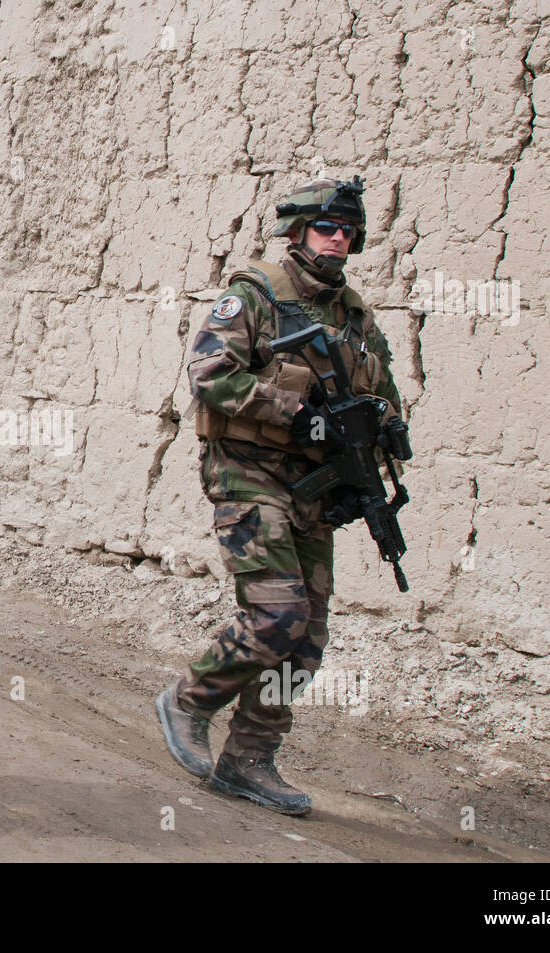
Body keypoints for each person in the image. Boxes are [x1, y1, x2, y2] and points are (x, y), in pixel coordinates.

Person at [155, 176, 403, 816]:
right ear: (296, 232)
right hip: (248, 472)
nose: (339, 239)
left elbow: (381, 395)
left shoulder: (356, 317)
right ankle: (190, 699)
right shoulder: (255, 296)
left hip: (314, 489)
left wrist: (387, 430)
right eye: (327, 227)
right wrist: (293, 412)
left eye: (349, 230)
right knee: (276, 614)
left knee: (307, 636)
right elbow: (211, 376)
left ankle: (250, 758)